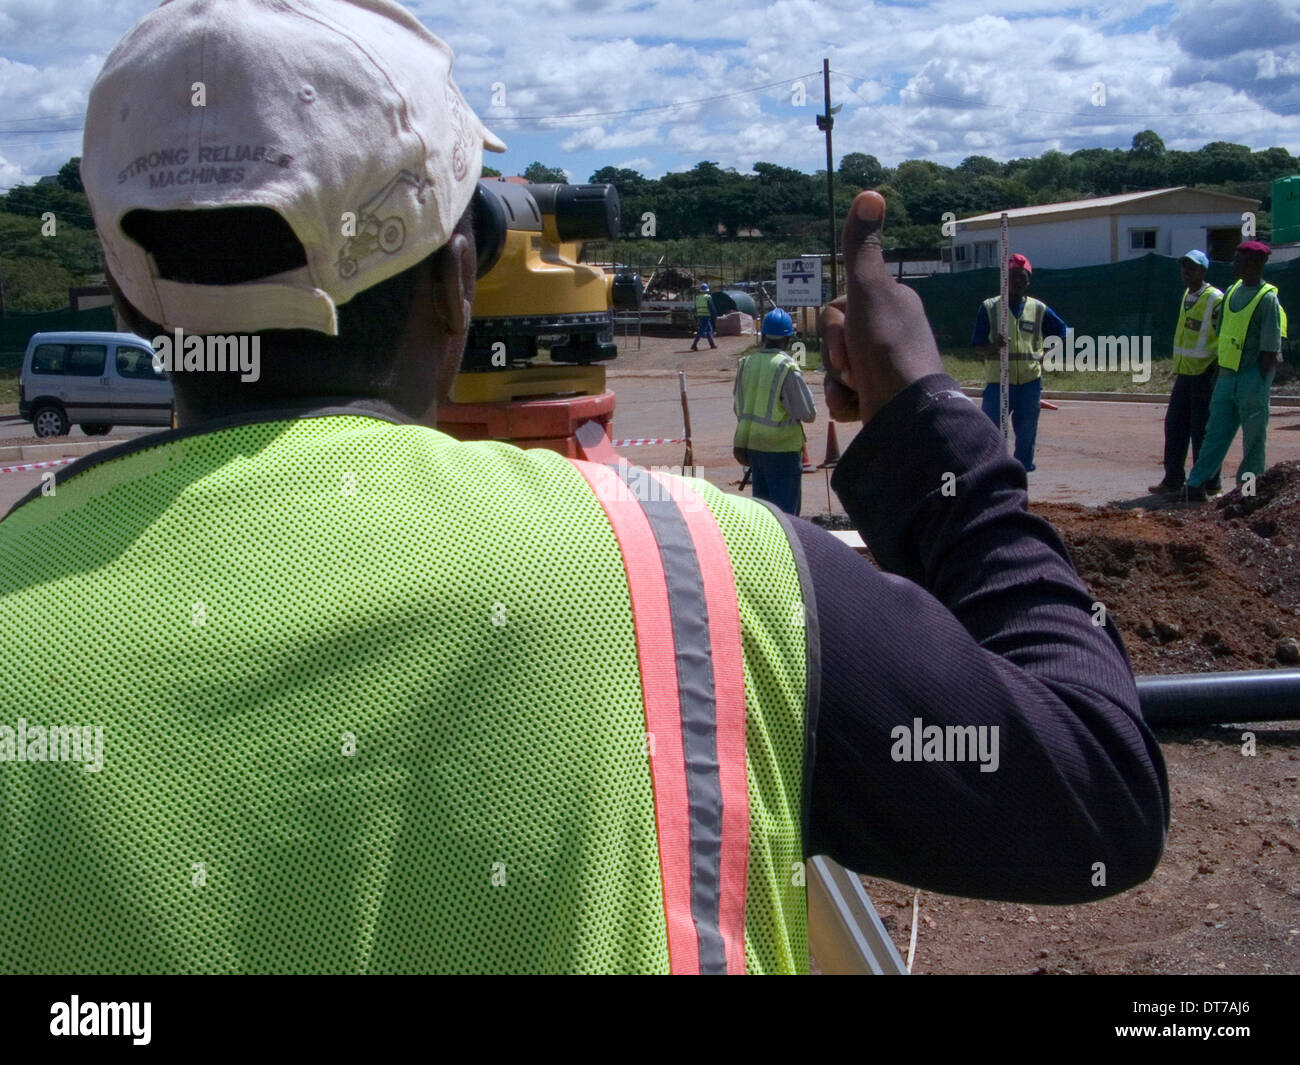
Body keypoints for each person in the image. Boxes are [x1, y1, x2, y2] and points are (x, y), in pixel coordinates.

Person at [0, 0, 1167, 975]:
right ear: (459, 272)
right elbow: (1096, 794)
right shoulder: (695, 579)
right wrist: (924, 413)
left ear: (125, 286)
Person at [1183, 241, 1286, 502]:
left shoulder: (1267, 298)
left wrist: (1260, 382)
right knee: (1214, 432)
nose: (1234, 264)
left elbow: (1270, 348)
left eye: (1239, 260)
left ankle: (1248, 489)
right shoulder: (1232, 291)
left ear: (1255, 264)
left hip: (1253, 376)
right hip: (1227, 375)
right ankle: (1195, 484)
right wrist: (1221, 372)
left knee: (1253, 437)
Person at [970, 253, 1068, 472]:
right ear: (1005, 279)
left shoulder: (1039, 308)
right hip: (997, 383)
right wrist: (994, 346)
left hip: (1029, 383)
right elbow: (977, 346)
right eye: (1013, 276)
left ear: (1028, 280)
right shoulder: (989, 307)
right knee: (991, 430)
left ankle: (1022, 471)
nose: (1017, 281)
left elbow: (1063, 331)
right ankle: (992, 471)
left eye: (1022, 277)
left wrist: (1049, 352)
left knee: (1026, 433)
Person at [1149, 251, 1222, 495]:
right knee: (1175, 425)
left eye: (1191, 268)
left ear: (1203, 271)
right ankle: (1173, 479)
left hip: (1204, 373)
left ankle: (1209, 482)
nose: (1186, 272)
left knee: (1202, 430)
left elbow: (1221, 334)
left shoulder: (1215, 299)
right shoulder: (1187, 296)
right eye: (1184, 268)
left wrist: (1217, 368)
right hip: (1185, 373)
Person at [732, 308, 816, 515]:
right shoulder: (785, 366)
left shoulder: (746, 363)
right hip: (782, 451)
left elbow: (738, 406)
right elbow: (807, 412)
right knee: (786, 516)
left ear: (763, 336)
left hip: (753, 447)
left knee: (764, 515)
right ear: (787, 338)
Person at [690, 281, 717, 350]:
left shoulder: (698, 298)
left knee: (709, 329)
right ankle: (694, 345)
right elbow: (711, 307)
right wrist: (714, 314)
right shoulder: (707, 297)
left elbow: (696, 307)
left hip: (700, 315)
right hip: (706, 315)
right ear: (707, 290)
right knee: (701, 330)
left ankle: (712, 344)